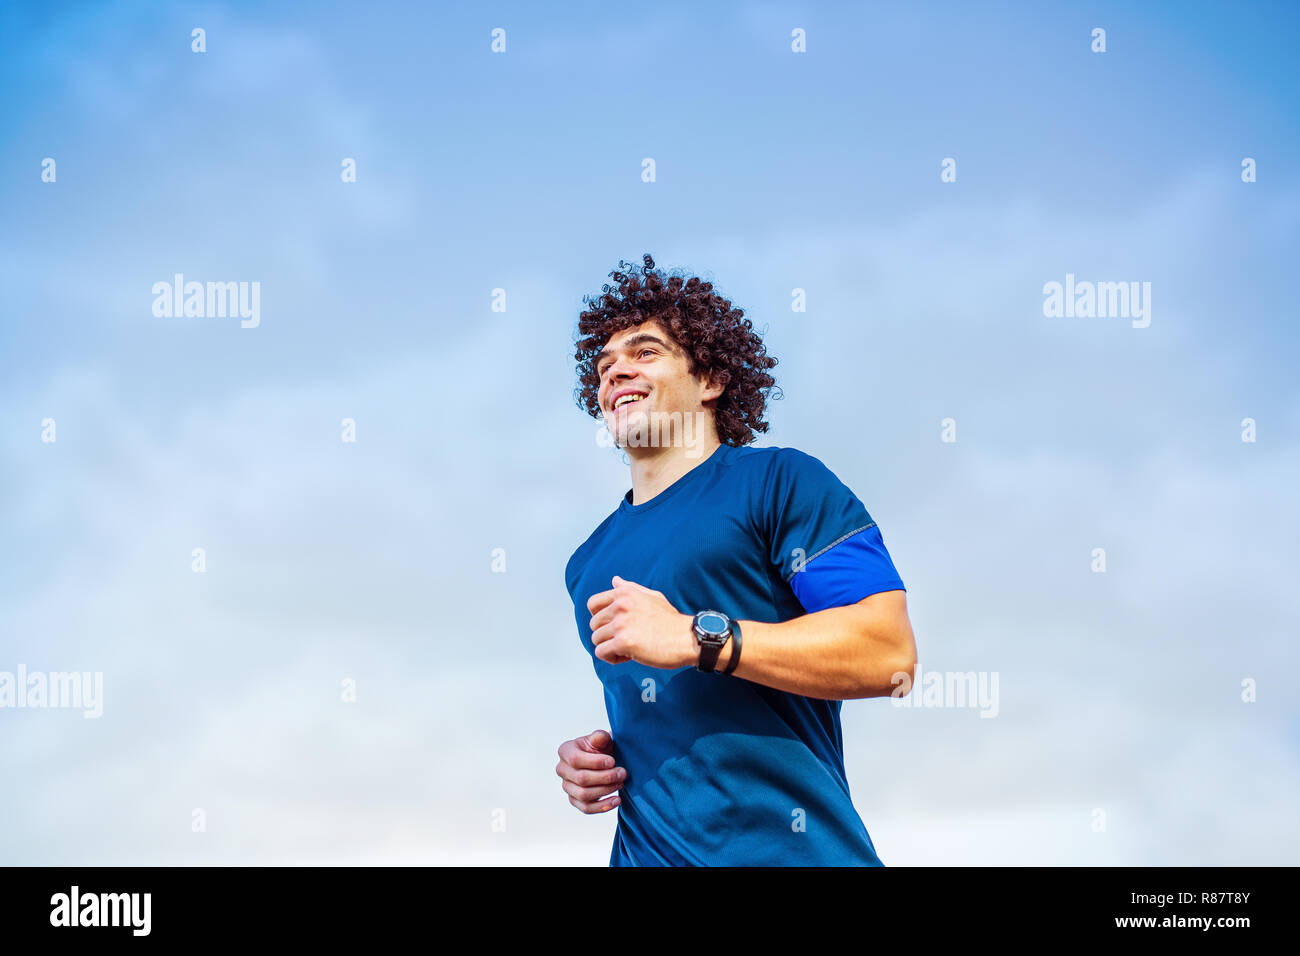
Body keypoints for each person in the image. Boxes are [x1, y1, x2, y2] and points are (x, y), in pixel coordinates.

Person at [557, 254, 917, 866]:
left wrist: (696, 636)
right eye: (605, 364)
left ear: (710, 381)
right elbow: (678, 712)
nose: (616, 370)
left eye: (645, 352)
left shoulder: (782, 482)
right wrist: (599, 760)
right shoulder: (587, 562)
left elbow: (887, 654)